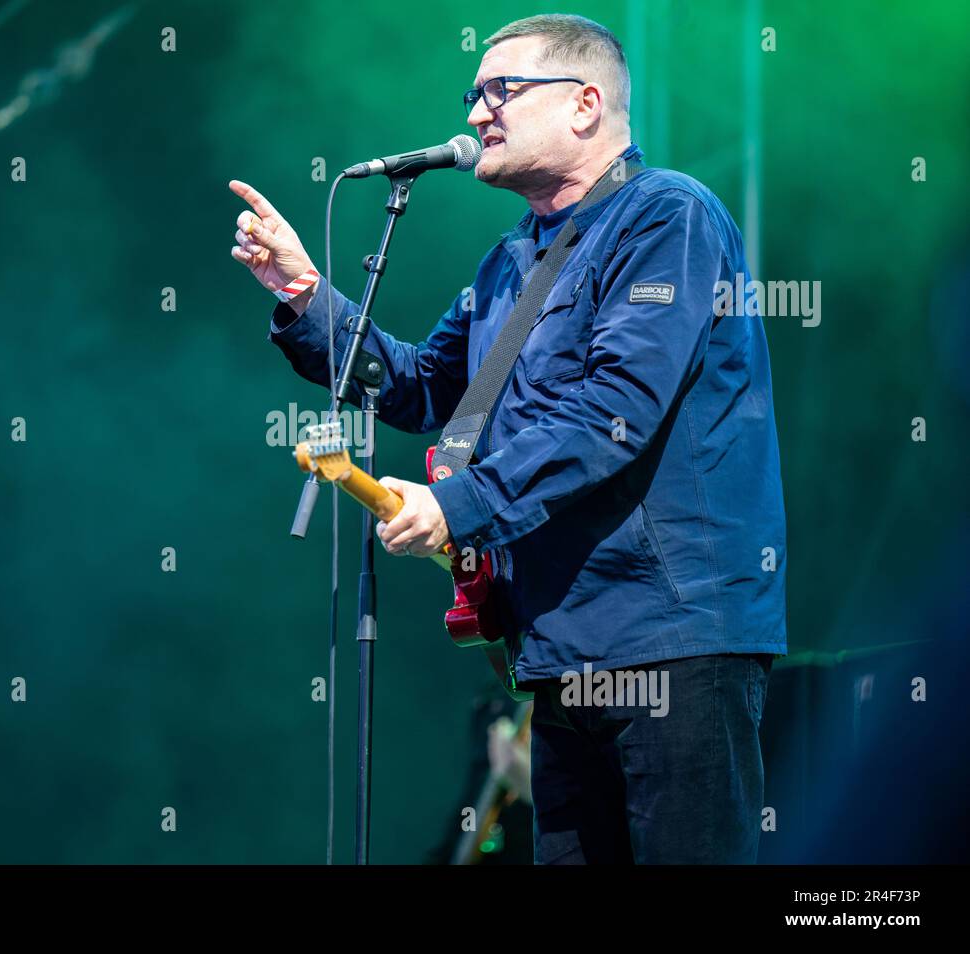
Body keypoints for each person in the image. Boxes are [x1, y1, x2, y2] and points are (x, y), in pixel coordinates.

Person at [230, 13, 786, 864]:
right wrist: (309, 295)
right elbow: (421, 388)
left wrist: (459, 506)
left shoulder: (667, 215)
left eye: (503, 91)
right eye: (475, 94)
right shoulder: (509, 263)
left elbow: (618, 407)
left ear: (586, 104)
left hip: (675, 636)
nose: (479, 112)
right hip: (560, 648)